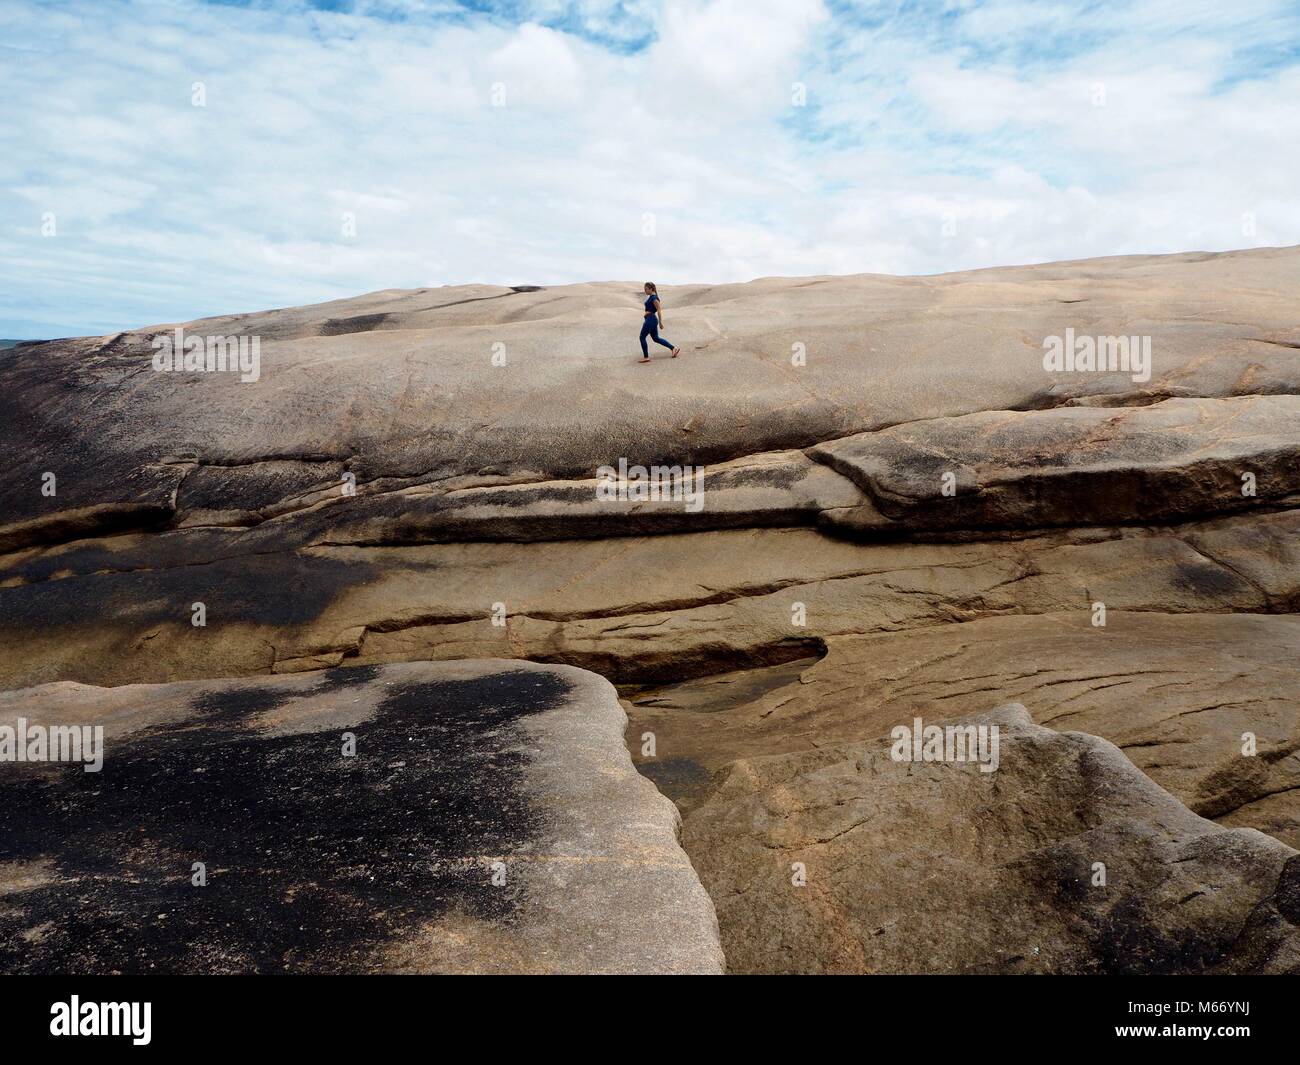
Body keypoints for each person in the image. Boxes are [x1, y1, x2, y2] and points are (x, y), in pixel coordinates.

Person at [638, 282, 680, 362]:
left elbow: (659, 311)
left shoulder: (654, 298)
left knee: (642, 337)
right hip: (650, 319)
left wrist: (661, 322)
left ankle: (646, 357)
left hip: (651, 320)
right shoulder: (651, 297)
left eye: (646, 289)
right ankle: (673, 348)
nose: (645, 291)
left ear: (651, 289)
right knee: (656, 338)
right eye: (644, 289)